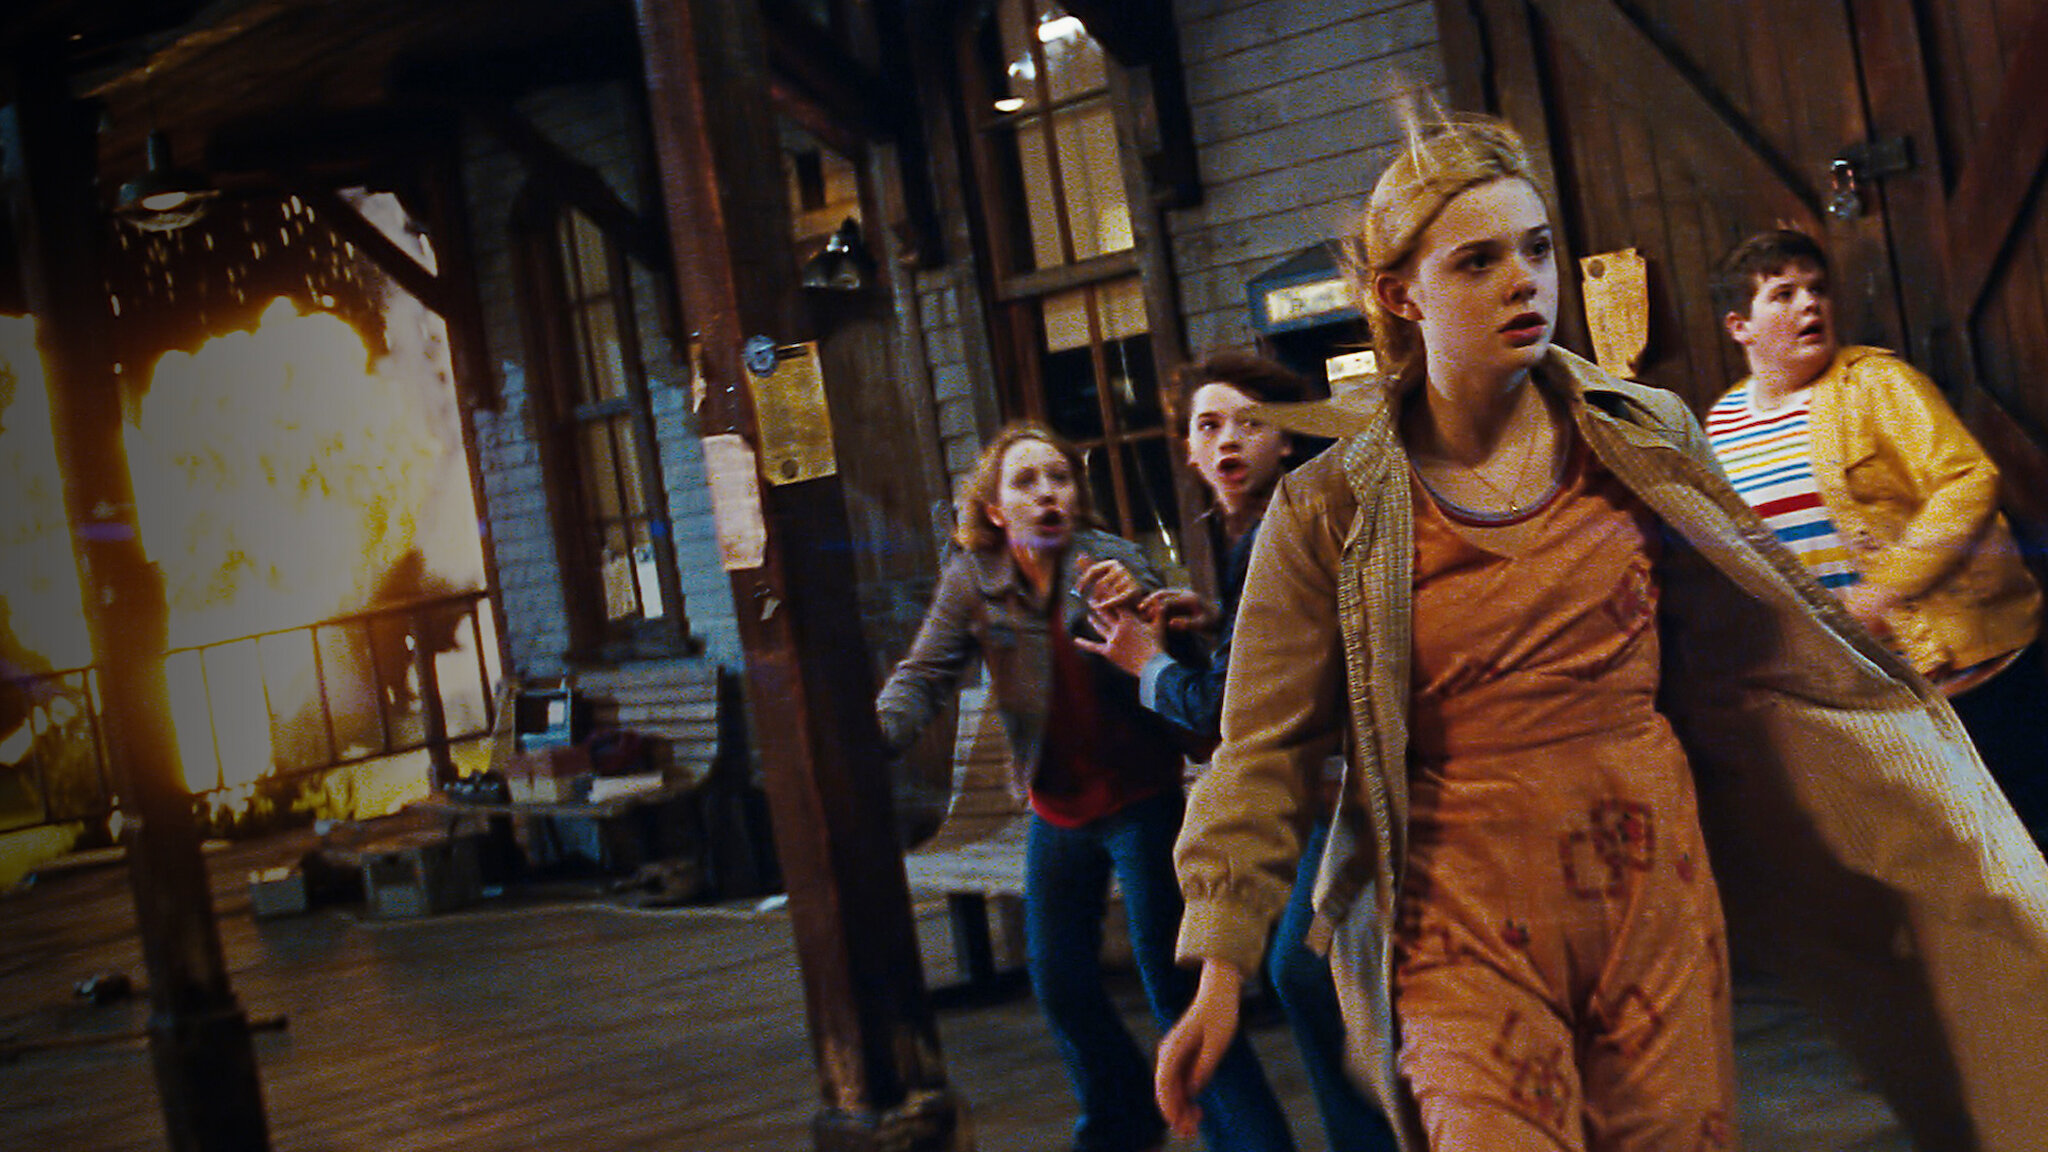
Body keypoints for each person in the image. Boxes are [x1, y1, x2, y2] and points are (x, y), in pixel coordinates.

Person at [1152, 109, 2048, 1151]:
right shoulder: (1331, 505)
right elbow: (1261, 746)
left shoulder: (1641, 437)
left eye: (1536, 250)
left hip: (1647, 899)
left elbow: (1755, 651)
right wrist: (1220, 966)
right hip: (1458, 920)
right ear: (1400, 296)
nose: (1523, 282)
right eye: (1478, 261)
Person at [876, 423, 1295, 1152]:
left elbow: (1178, 652)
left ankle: (1251, 1142)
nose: (1048, 494)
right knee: (1060, 982)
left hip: (1141, 798)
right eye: (1027, 482)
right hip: (1057, 806)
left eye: (1060, 479)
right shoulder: (973, 577)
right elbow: (925, 673)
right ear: (996, 510)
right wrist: (871, 738)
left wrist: (1143, 606)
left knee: (1174, 986)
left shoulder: (1110, 561)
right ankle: (1120, 1122)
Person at [1079, 351, 1397, 1152]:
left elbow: (1234, 712)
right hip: (1317, 787)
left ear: (1285, 440)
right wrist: (1213, 627)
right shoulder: (1243, 538)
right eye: (1208, 426)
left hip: (1351, 786)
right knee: (1300, 970)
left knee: (1306, 970)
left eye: (1249, 423)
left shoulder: (1279, 526)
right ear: (1188, 451)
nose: (1228, 439)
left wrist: (1144, 664)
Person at [1703, 228, 2047, 839]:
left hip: (1964, 670)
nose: (1811, 304)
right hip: (1861, 697)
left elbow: (1968, 482)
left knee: (2028, 838)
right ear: (1740, 327)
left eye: (1817, 289)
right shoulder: (1722, 423)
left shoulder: (1877, 383)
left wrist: (1881, 593)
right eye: (1783, 294)